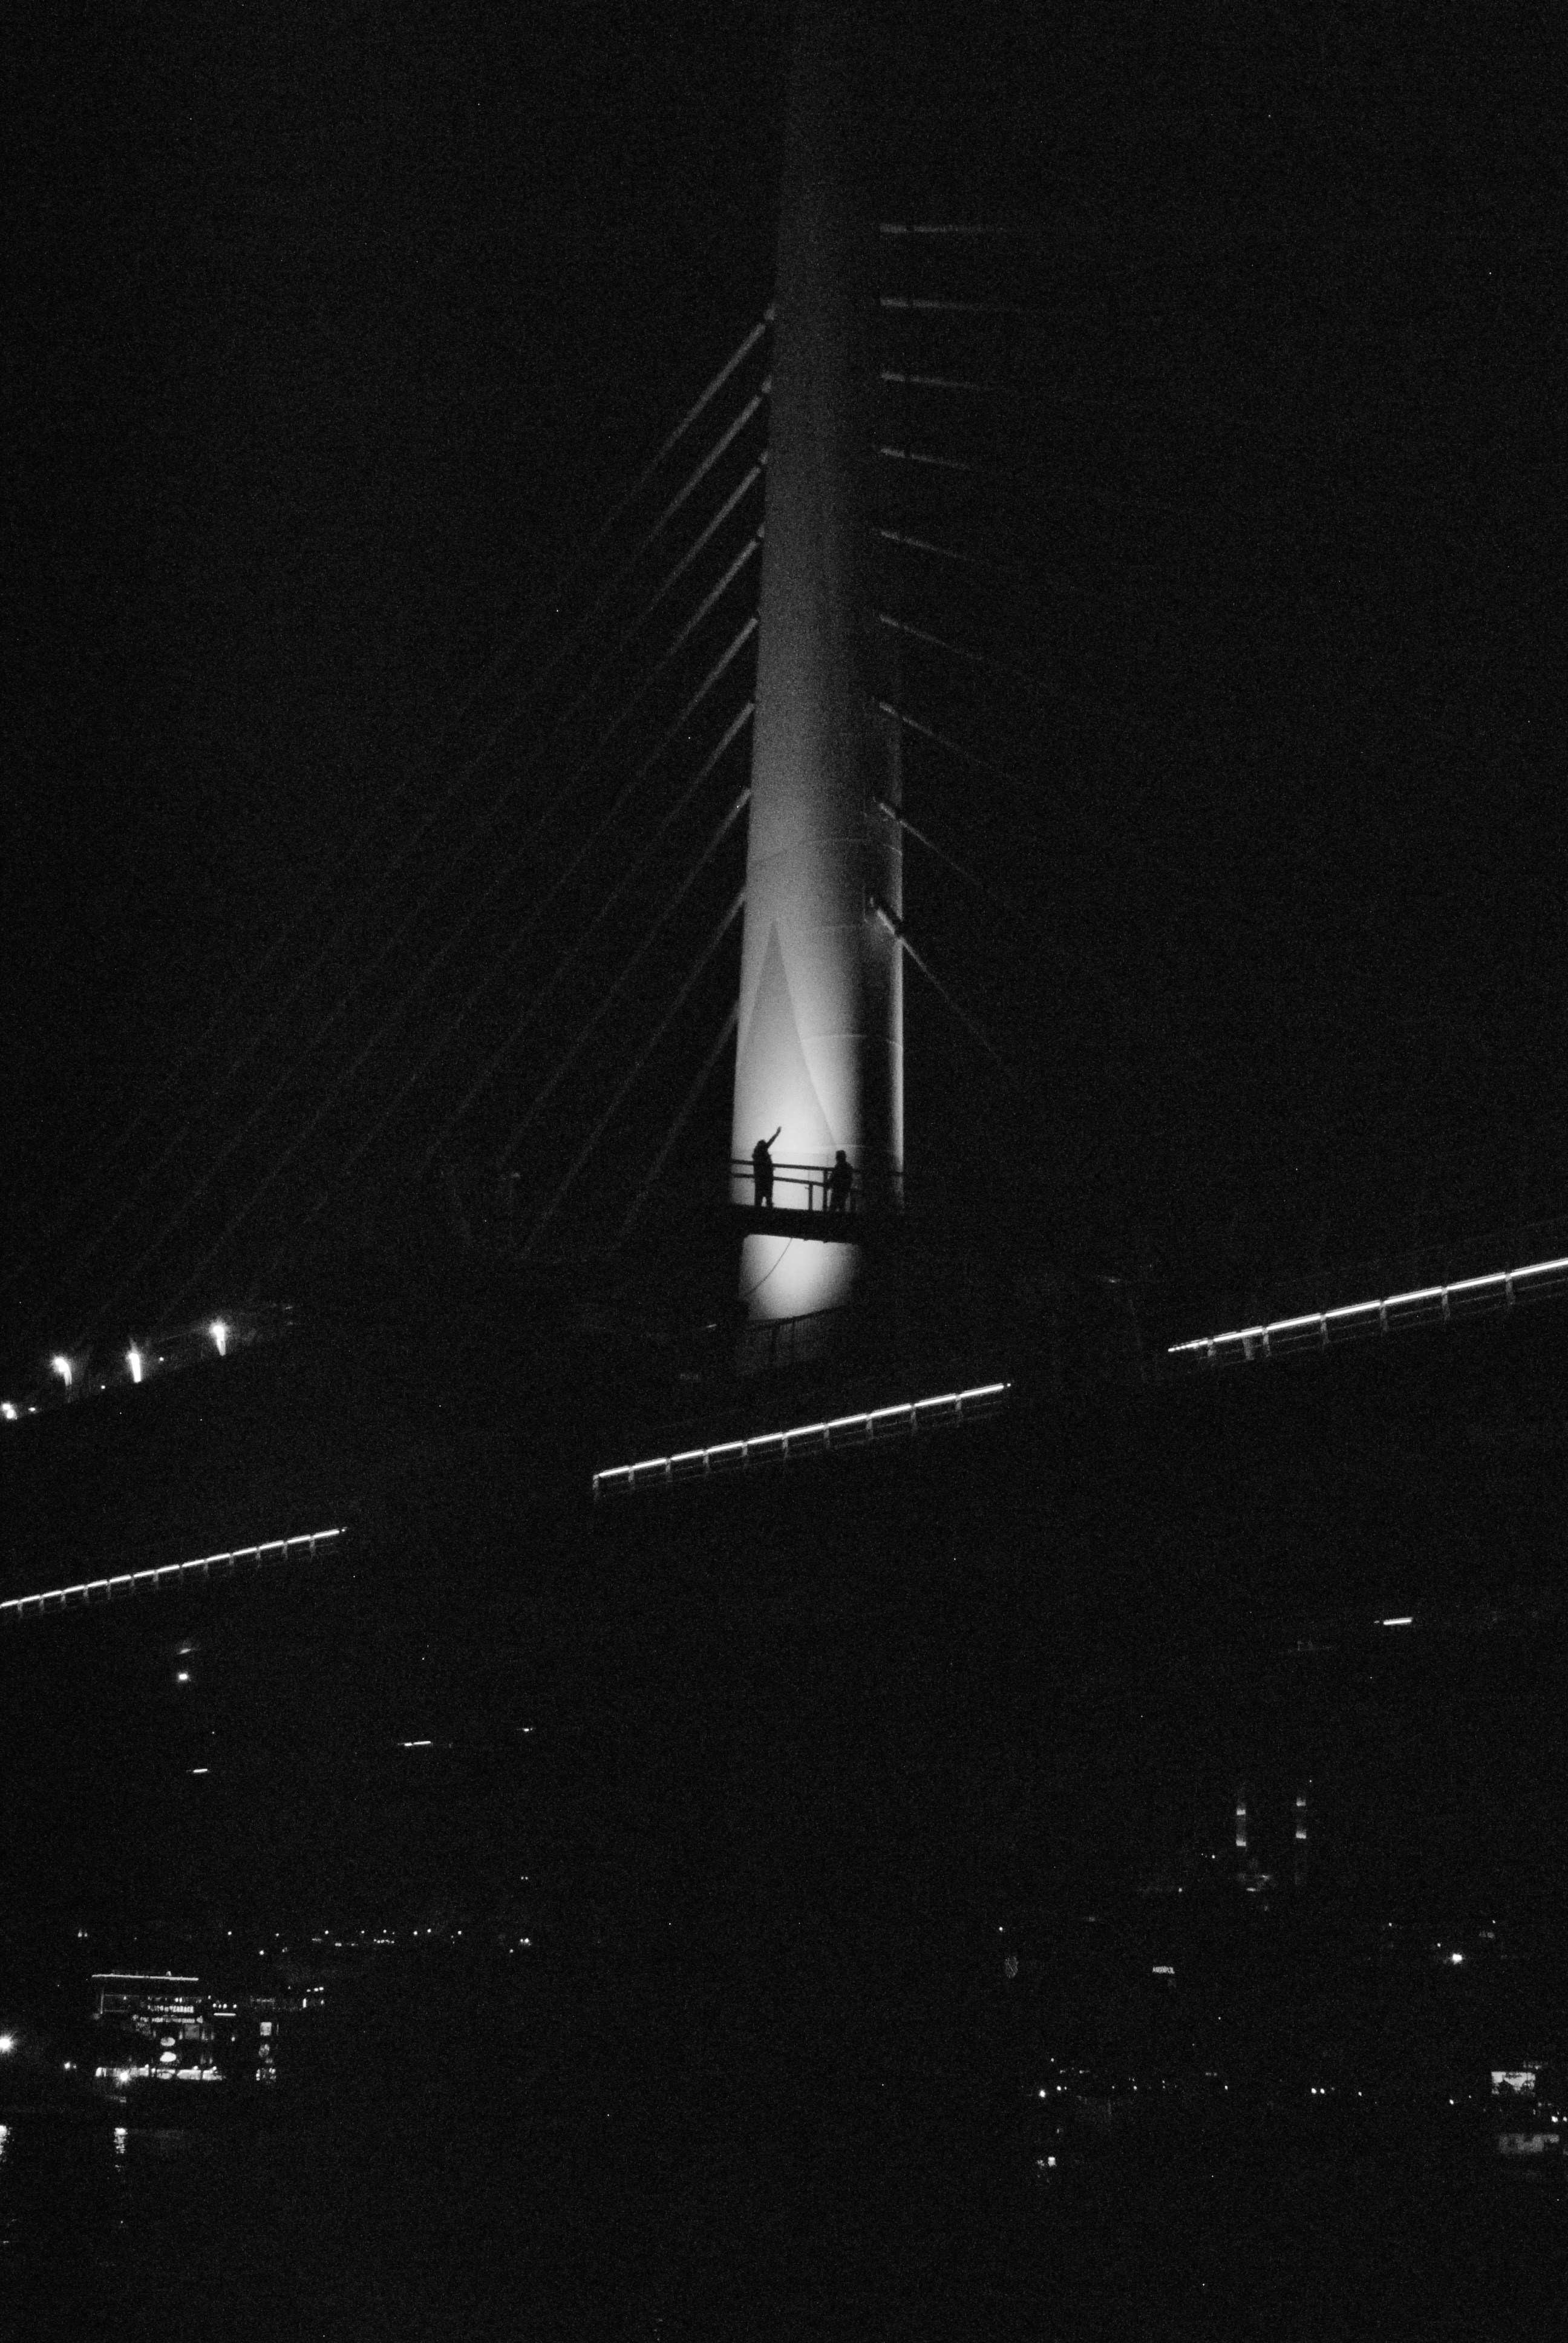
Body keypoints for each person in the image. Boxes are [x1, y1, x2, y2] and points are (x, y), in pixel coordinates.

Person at [752, 1127, 781, 1207]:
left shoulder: (756, 1155)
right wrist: (777, 1134)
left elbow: (769, 1143)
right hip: (767, 1180)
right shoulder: (763, 1153)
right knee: (768, 1200)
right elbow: (770, 1142)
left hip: (759, 1181)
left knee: (758, 1201)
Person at [826, 1149, 854, 1213]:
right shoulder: (848, 1167)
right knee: (841, 1208)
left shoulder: (838, 1166)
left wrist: (828, 1183)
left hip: (837, 1191)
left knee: (833, 1208)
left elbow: (833, 1177)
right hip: (843, 1191)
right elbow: (850, 1180)